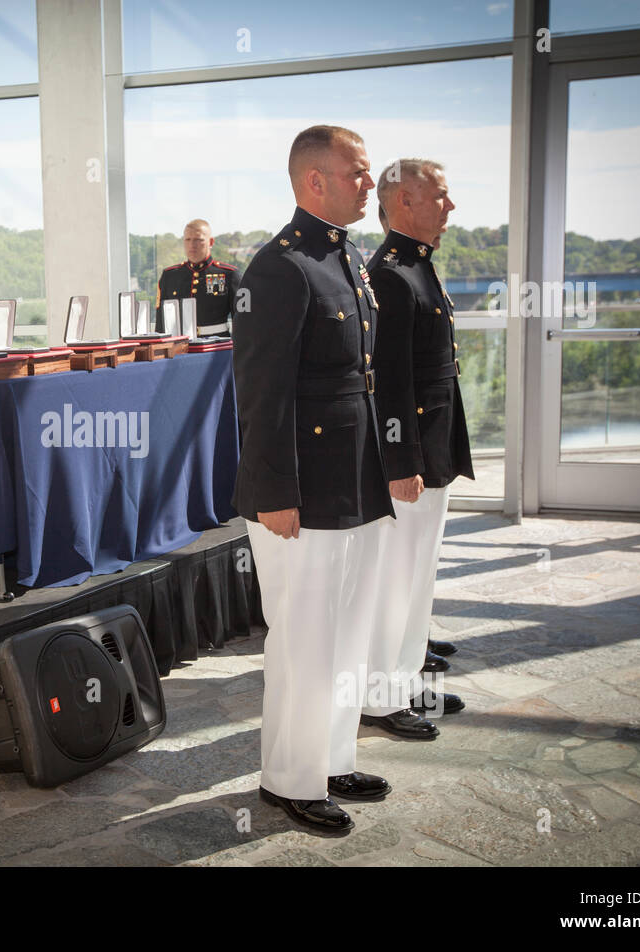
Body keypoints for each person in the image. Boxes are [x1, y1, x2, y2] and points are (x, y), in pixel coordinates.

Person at [232, 125, 393, 835]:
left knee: (349, 630)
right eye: (358, 173)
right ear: (314, 182)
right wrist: (275, 493)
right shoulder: (280, 268)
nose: (370, 184)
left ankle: (331, 756)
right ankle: (289, 779)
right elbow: (260, 393)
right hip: (298, 488)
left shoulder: (347, 255)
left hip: (353, 476)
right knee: (303, 637)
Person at [360, 158, 474, 740]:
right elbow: (392, 382)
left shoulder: (418, 266)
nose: (450, 208)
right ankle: (381, 698)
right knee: (395, 583)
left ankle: (408, 683)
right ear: (405, 201)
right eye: (442, 197)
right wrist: (400, 462)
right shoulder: (390, 273)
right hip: (412, 461)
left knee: (418, 579)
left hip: (434, 451)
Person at [156, 219, 238, 335]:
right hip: (179, 347)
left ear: (211, 242)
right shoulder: (170, 276)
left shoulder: (229, 274)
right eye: (188, 239)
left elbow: (242, 320)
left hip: (217, 347)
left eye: (198, 240)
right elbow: (161, 323)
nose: (192, 245)